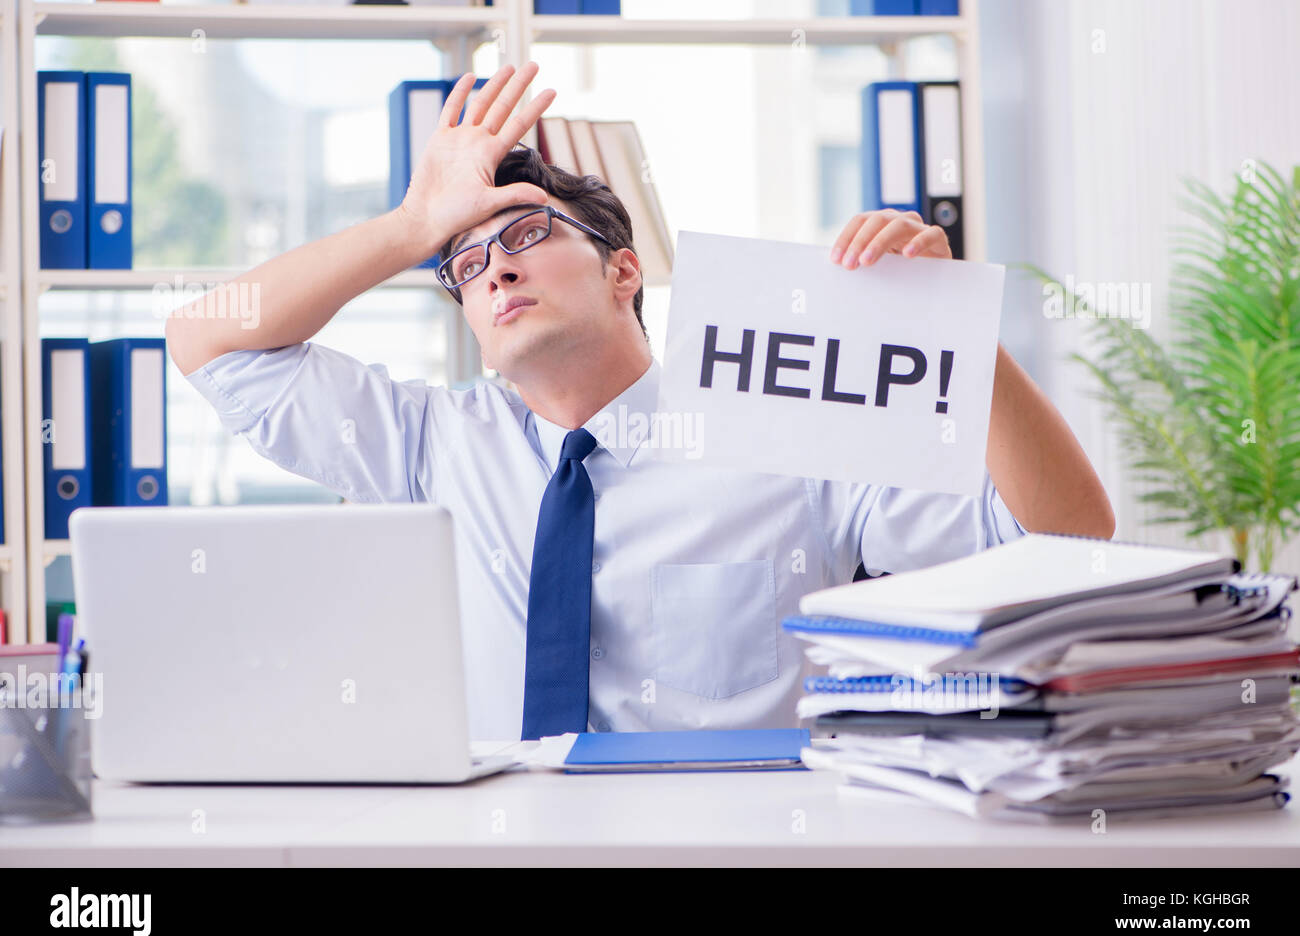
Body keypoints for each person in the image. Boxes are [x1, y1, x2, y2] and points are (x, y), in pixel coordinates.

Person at [166, 62, 1115, 740]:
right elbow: (206, 338)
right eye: (464, 264)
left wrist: (959, 336)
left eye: (527, 231)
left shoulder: (784, 420)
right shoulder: (427, 442)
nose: (492, 266)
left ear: (624, 269)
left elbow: (1066, 543)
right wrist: (416, 223)